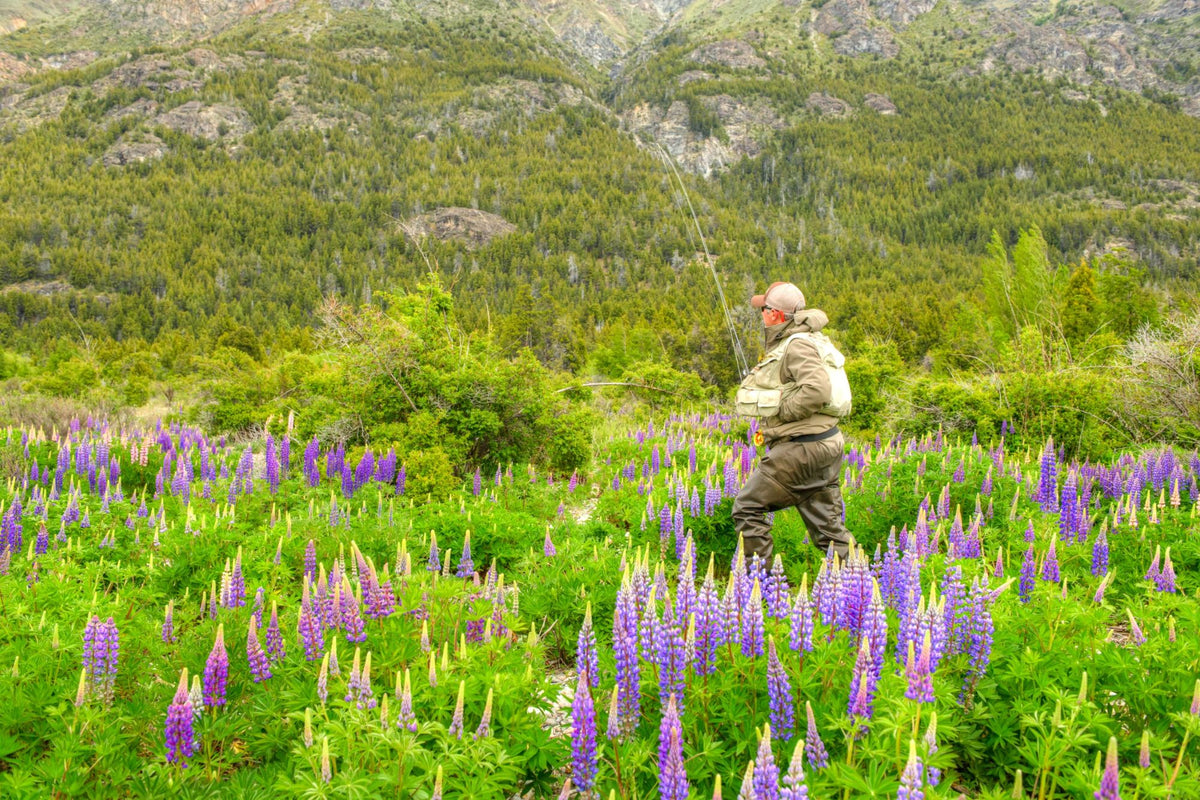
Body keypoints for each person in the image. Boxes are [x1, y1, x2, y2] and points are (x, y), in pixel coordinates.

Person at [732, 281, 853, 563]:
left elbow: (817, 390)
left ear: (774, 314)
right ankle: (864, 590)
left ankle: (756, 587)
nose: (760, 313)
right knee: (829, 532)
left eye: (763, 308)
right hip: (825, 443)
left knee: (747, 507)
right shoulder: (810, 337)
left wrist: (782, 412)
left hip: (801, 449)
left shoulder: (797, 345)